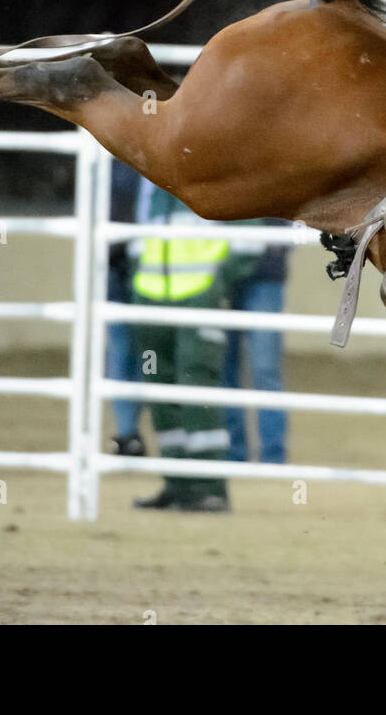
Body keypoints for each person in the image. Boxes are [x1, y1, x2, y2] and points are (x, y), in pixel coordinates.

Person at [128, 177, 237, 512]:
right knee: (159, 395)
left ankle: (210, 488)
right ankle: (177, 484)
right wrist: (137, 287)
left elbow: (248, 241)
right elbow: (139, 238)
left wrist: (216, 286)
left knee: (197, 391)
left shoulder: (220, 173)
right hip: (149, 303)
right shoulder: (152, 179)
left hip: (198, 300)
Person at [221, 219, 290, 466]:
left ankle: (272, 455)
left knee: (265, 369)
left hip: (265, 273)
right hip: (222, 272)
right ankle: (233, 452)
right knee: (225, 367)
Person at [106, 158, 144, 457]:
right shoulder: (109, 155)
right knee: (123, 349)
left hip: (144, 263)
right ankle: (127, 431)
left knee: (140, 350)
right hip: (117, 262)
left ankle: (131, 430)